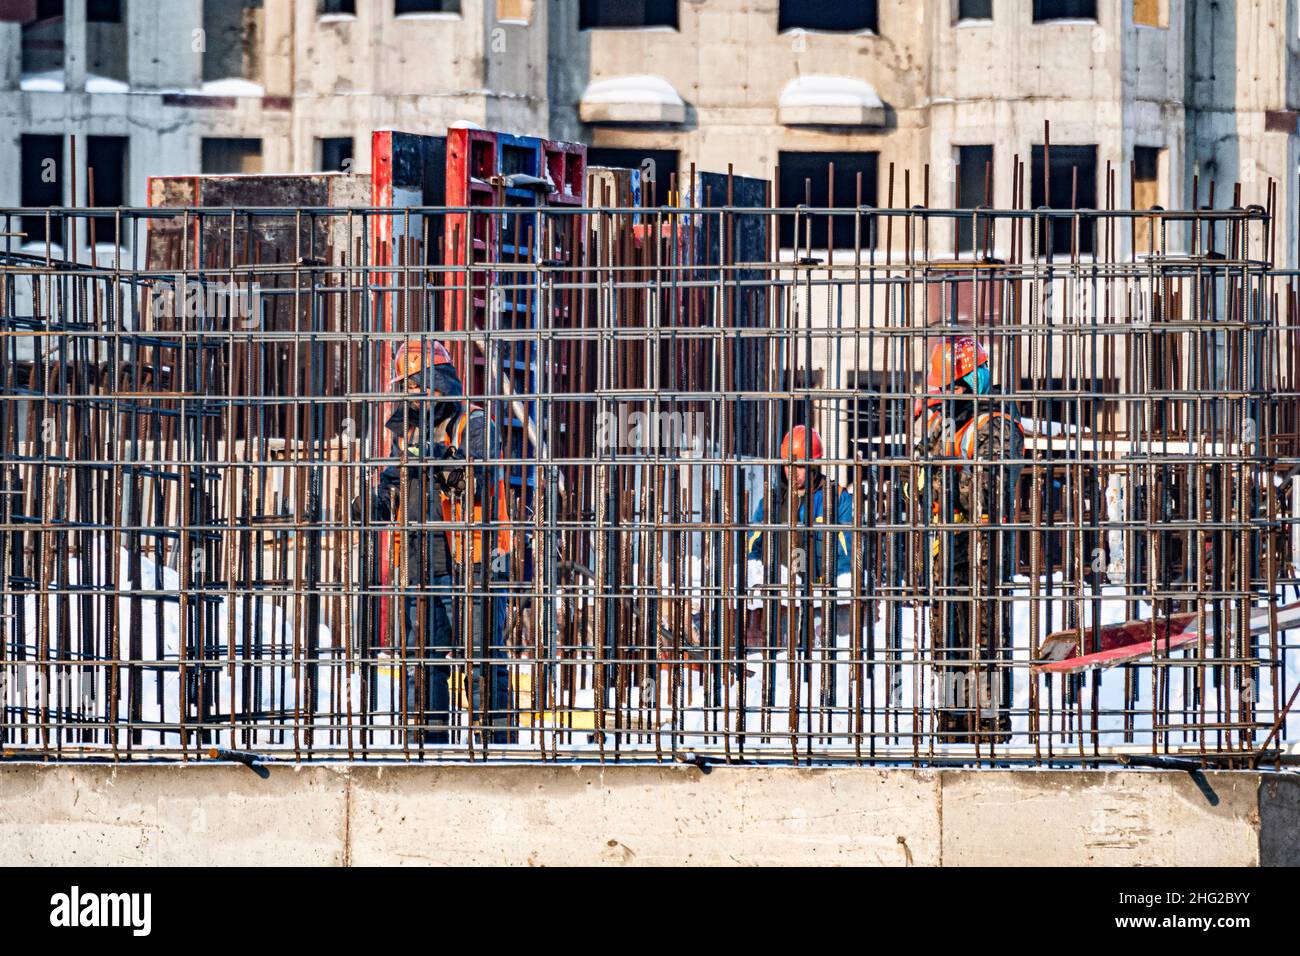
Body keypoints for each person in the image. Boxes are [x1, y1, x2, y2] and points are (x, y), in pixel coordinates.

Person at [354, 339, 514, 744]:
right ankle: (428, 749)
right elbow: (395, 485)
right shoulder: (407, 431)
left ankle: (496, 754)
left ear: (435, 383)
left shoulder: (473, 425)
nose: (408, 395)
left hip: (472, 561)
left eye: (413, 385)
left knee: (481, 662)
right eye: (404, 387)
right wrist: (375, 503)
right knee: (422, 664)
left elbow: (476, 480)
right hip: (421, 564)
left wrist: (439, 457)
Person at [915, 335, 1023, 743]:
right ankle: (952, 723)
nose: (944, 397)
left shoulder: (998, 426)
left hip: (986, 557)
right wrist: (938, 478)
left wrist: (941, 478)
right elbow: (915, 480)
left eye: (951, 388)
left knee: (986, 643)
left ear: (974, 382)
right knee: (947, 648)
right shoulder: (945, 422)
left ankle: (990, 724)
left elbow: (986, 492)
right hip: (949, 551)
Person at [744, 425, 856, 701]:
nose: (792, 472)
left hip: (824, 604)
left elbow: (849, 552)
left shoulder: (837, 498)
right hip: (782, 601)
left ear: (814, 464)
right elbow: (751, 546)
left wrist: (834, 583)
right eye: (787, 465)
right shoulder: (773, 501)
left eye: (800, 466)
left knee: (820, 675)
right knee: (783, 676)